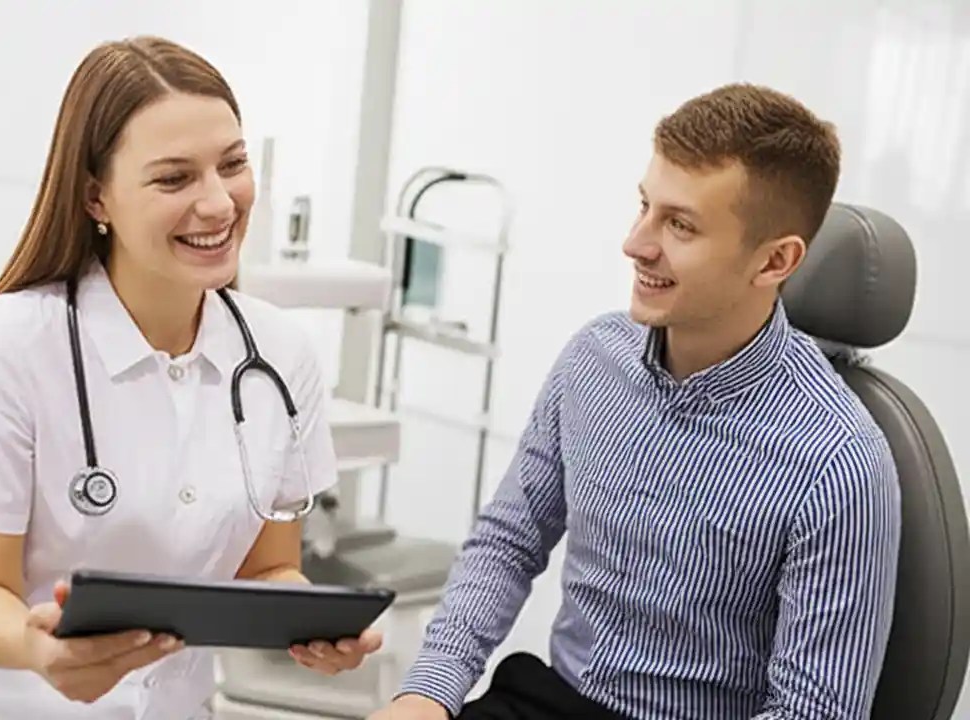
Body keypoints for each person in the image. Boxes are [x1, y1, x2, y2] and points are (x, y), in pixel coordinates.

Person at [371, 83, 902, 719]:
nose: (636, 243)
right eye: (645, 206)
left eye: (679, 225)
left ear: (774, 262)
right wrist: (427, 692)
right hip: (548, 699)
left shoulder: (838, 462)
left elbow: (814, 712)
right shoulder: (596, 357)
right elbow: (508, 542)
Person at [0, 36, 381, 719]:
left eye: (232, 165)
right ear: (97, 196)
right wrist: (37, 648)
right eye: (174, 178)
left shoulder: (279, 355)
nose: (218, 204)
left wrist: (310, 624)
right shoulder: (5, 345)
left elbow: (269, 567)